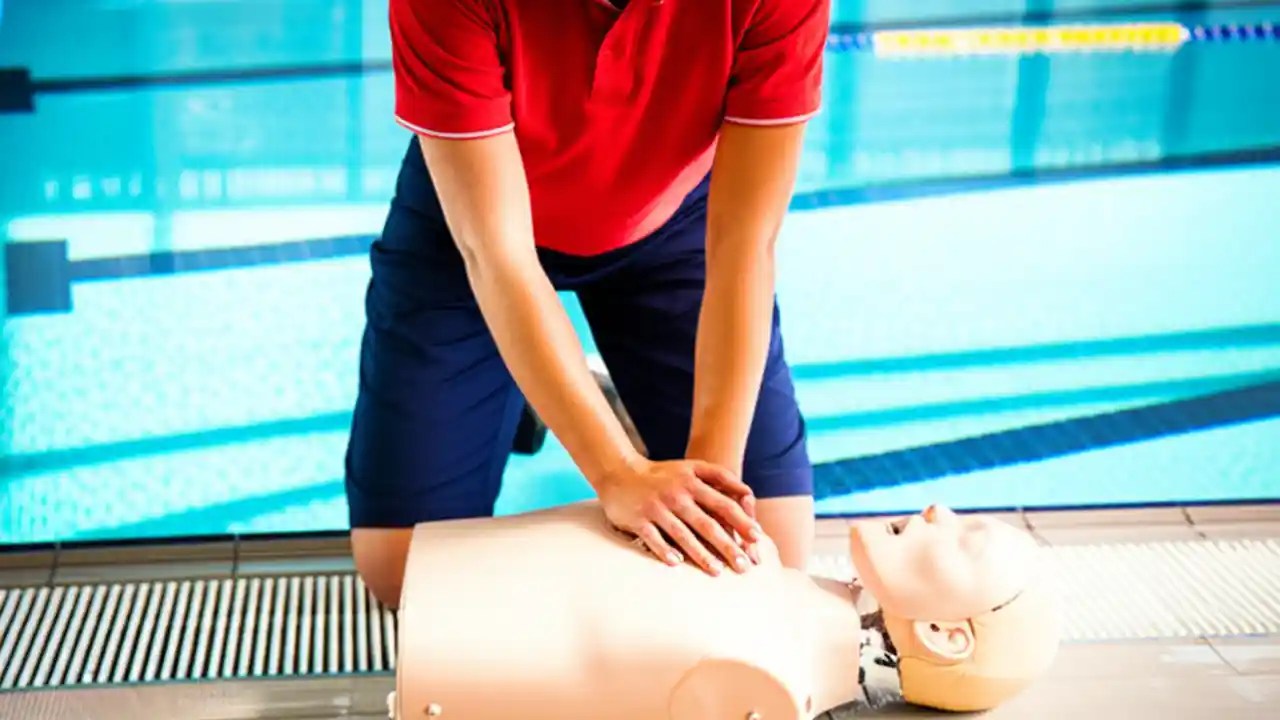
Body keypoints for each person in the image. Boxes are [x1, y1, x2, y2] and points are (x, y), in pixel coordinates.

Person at [344, 0, 832, 607]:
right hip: (472, 228)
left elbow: (744, 245)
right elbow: (496, 253)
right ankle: (548, 386)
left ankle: (575, 388)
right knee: (404, 577)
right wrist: (616, 472)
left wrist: (711, 501)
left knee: (772, 551)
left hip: (675, 230)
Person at [388, 502, 1063, 719]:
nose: (939, 512)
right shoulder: (764, 573)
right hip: (446, 588)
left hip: (437, 652)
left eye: (966, 541)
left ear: (945, 636)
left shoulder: (763, 682)